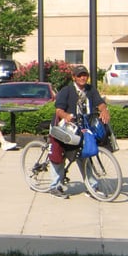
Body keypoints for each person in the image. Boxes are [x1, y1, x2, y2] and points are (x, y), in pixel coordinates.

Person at [47, 65, 111, 195]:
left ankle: (92, 186)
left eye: (85, 75)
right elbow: (58, 110)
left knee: (84, 153)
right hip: (63, 126)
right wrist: (66, 116)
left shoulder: (90, 90)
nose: (82, 78)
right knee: (58, 154)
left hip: (81, 127)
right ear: (74, 77)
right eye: (79, 75)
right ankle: (55, 186)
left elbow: (100, 103)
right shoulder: (66, 90)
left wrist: (104, 110)